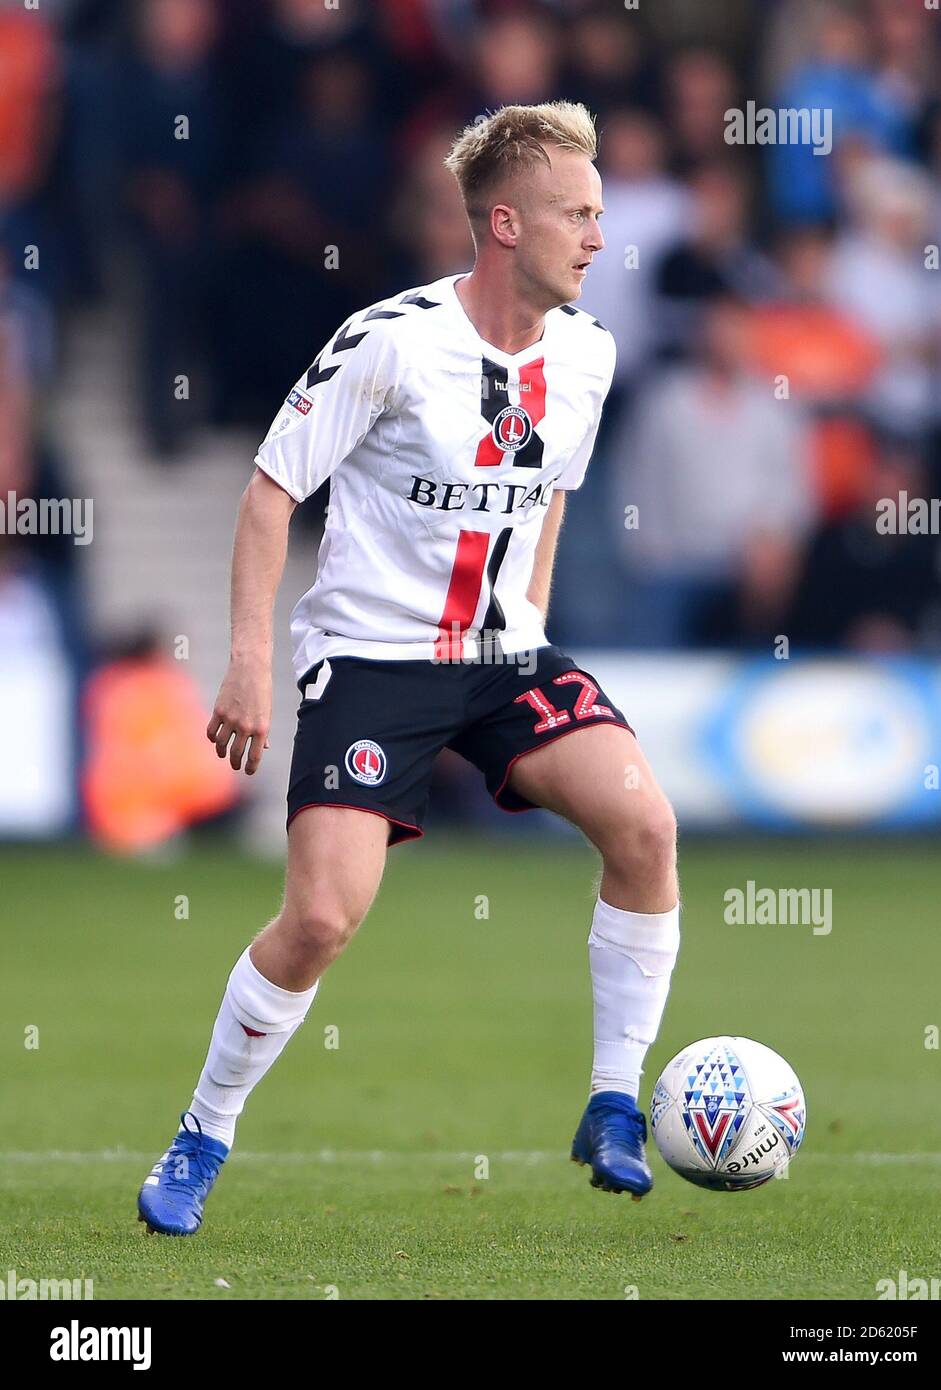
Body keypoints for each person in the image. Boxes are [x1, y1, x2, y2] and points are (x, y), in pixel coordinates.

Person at [137, 102, 681, 1235]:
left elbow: (554, 492)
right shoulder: (391, 338)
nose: (596, 237)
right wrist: (246, 664)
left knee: (645, 827)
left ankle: (613, 1100)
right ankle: (203, 1131)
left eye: (599, 214)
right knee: (323, 919)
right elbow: (269, 490)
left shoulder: (587, 354)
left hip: (502, 656)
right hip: (374, 659)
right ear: (502, 223)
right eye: (576, 214)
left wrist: (527, 615)